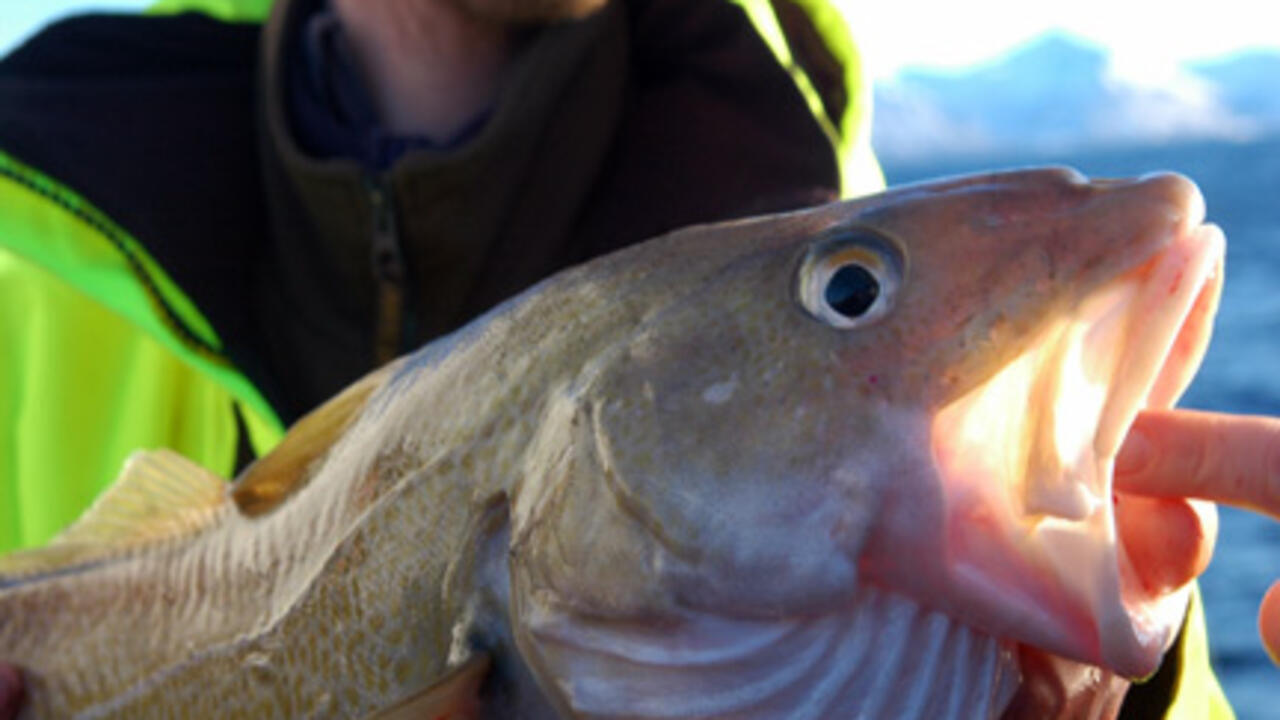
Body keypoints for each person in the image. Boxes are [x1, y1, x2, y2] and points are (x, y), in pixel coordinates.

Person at [0, 0, 1272, 717]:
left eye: (847, 288)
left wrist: (1130, 709)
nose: (853, 293)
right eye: (850, 295)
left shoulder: (840, 211)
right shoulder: (23, 263)